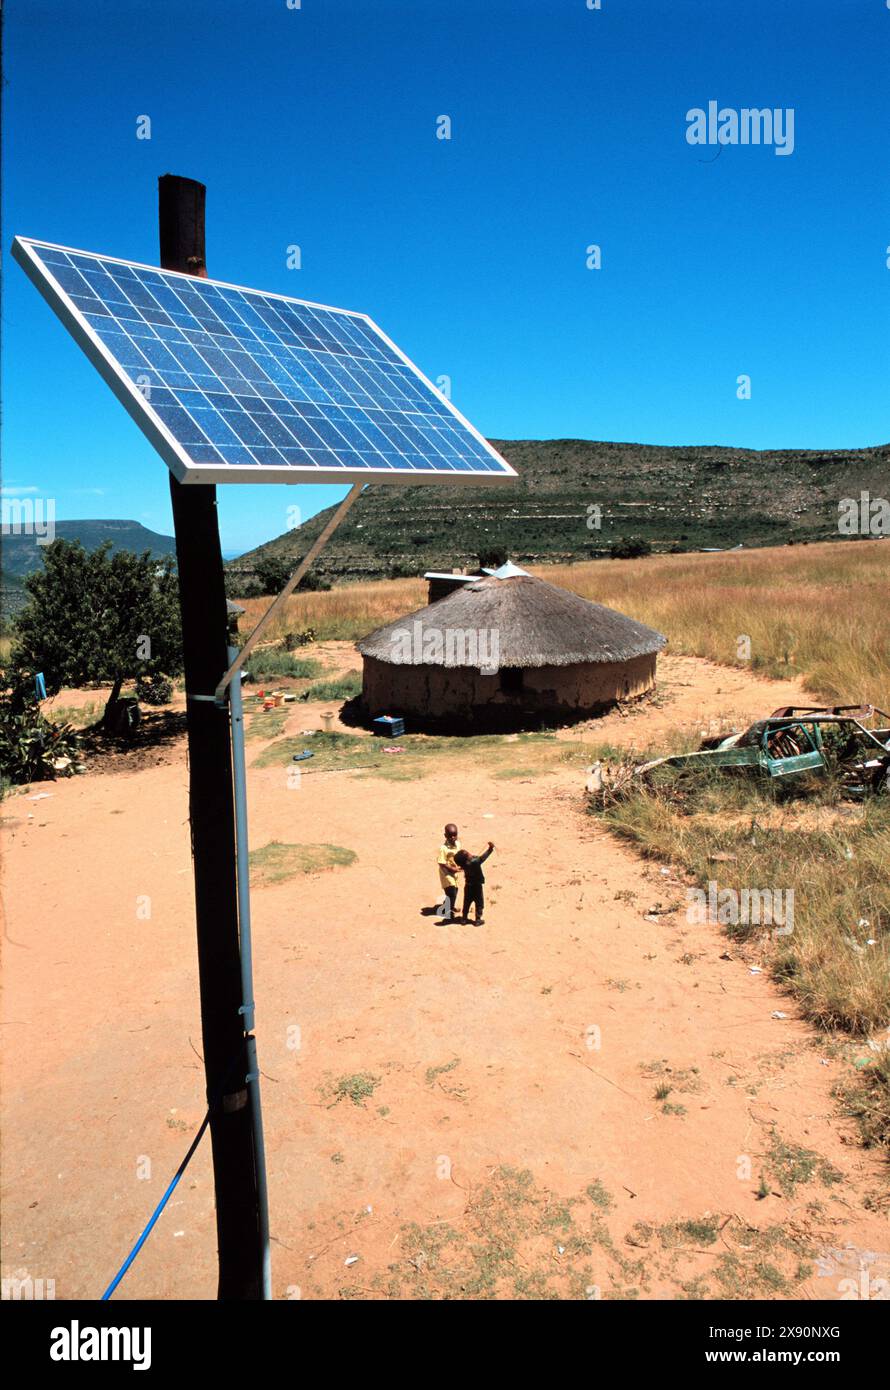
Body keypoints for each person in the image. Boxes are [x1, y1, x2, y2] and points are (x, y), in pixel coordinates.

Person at [454, 842, 495, 925]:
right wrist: (490, 849)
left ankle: (464, 919)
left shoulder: (464, 865)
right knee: (479, 903)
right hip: (477, 887)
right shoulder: (474, 862)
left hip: (468, 886)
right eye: (468, 854)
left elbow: (474, 859)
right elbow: (482, 858)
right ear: (467, 859)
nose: (470, 854)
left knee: (466, 903)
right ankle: (478, 919)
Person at [436, 823, 461, 922]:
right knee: (451, 892)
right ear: (445, 836)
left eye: (455, 835)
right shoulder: (443, 848)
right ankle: (447, 913)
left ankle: (449, 906)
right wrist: (451, 869)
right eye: (450, 836)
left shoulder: (458, 844)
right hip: (446, 873)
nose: (453, 837)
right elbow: (441, 863)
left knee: (455, 891)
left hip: (454, 873)